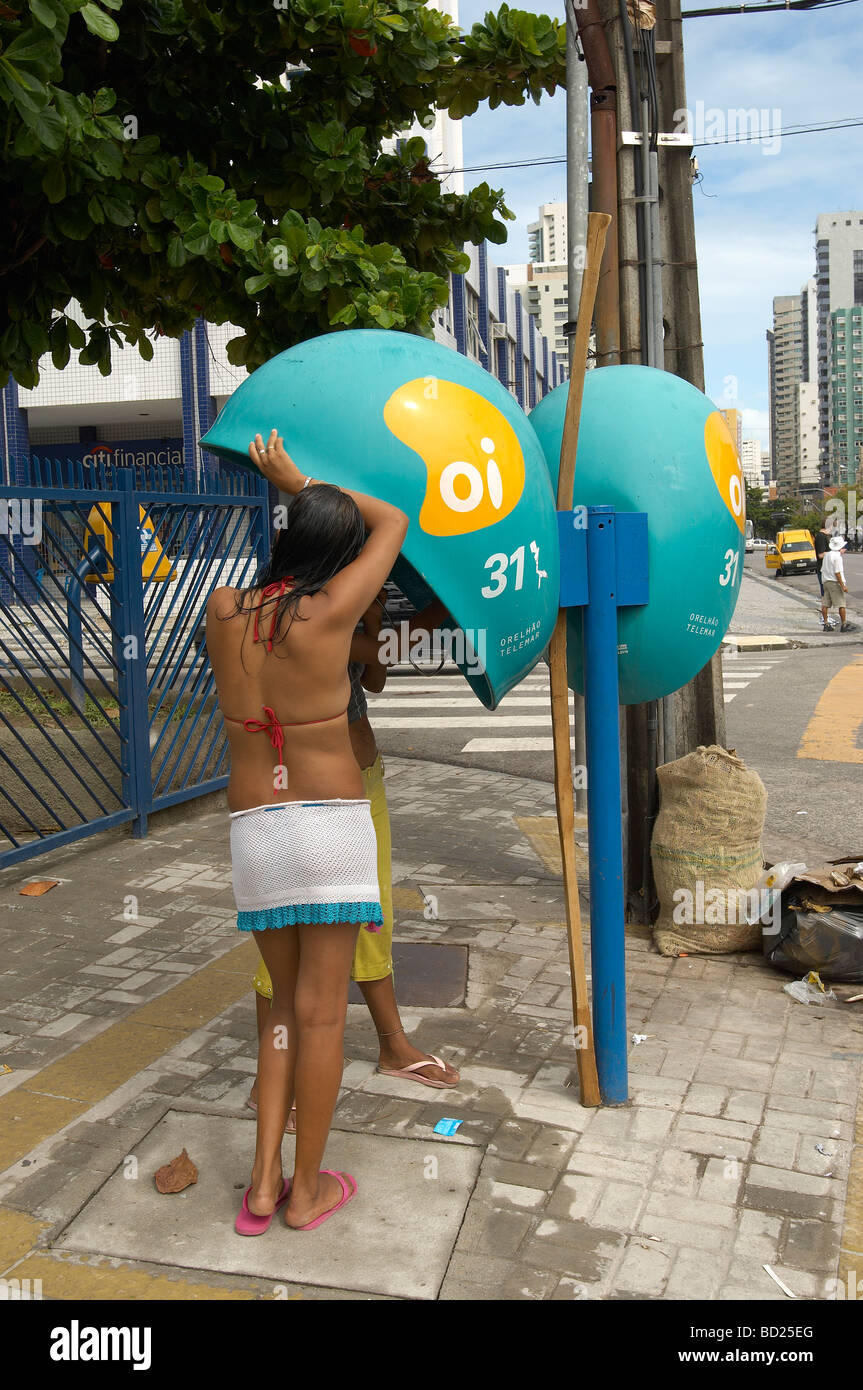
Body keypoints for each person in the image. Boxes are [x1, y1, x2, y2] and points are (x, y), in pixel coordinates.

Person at [206, 429, 408, 1234]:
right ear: (337, 557)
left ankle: (261, 1184)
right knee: (324, 1014)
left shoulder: (225, 611)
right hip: (328, 823)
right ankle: (309, 1190)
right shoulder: (332, 613)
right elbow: (392, 521)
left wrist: (291, 498)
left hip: (255, 825)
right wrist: (302, 479)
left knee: (282, 1007)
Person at [247, 591, 460, 1129]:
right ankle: (270, 1076)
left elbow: (374, 676)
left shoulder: (342, 604)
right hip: (309, 791)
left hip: (361, 778)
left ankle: (393, 1044)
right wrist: (444, 602)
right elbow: (389, 645)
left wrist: (369, 614)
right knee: (292, 924)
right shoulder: (292, 611)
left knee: (371, 913)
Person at [820, 534, 854, 633]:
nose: (845, 549)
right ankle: (844, 624)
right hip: (834, 583)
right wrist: (843, 585)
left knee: (825, 604)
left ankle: (826, 624)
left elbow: (823, 569)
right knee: (841, 604)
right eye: (844, 547)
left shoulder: (827, 555)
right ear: (840, 548)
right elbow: (837, 572)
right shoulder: (837, 557)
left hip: (826, 582)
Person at [814, 521, 832, 599]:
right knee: (825, 594)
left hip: (824, 569)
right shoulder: (821, 537)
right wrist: (833, 552)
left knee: (826, 593)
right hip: (823, 569)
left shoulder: (822, 536)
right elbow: (821, 555)